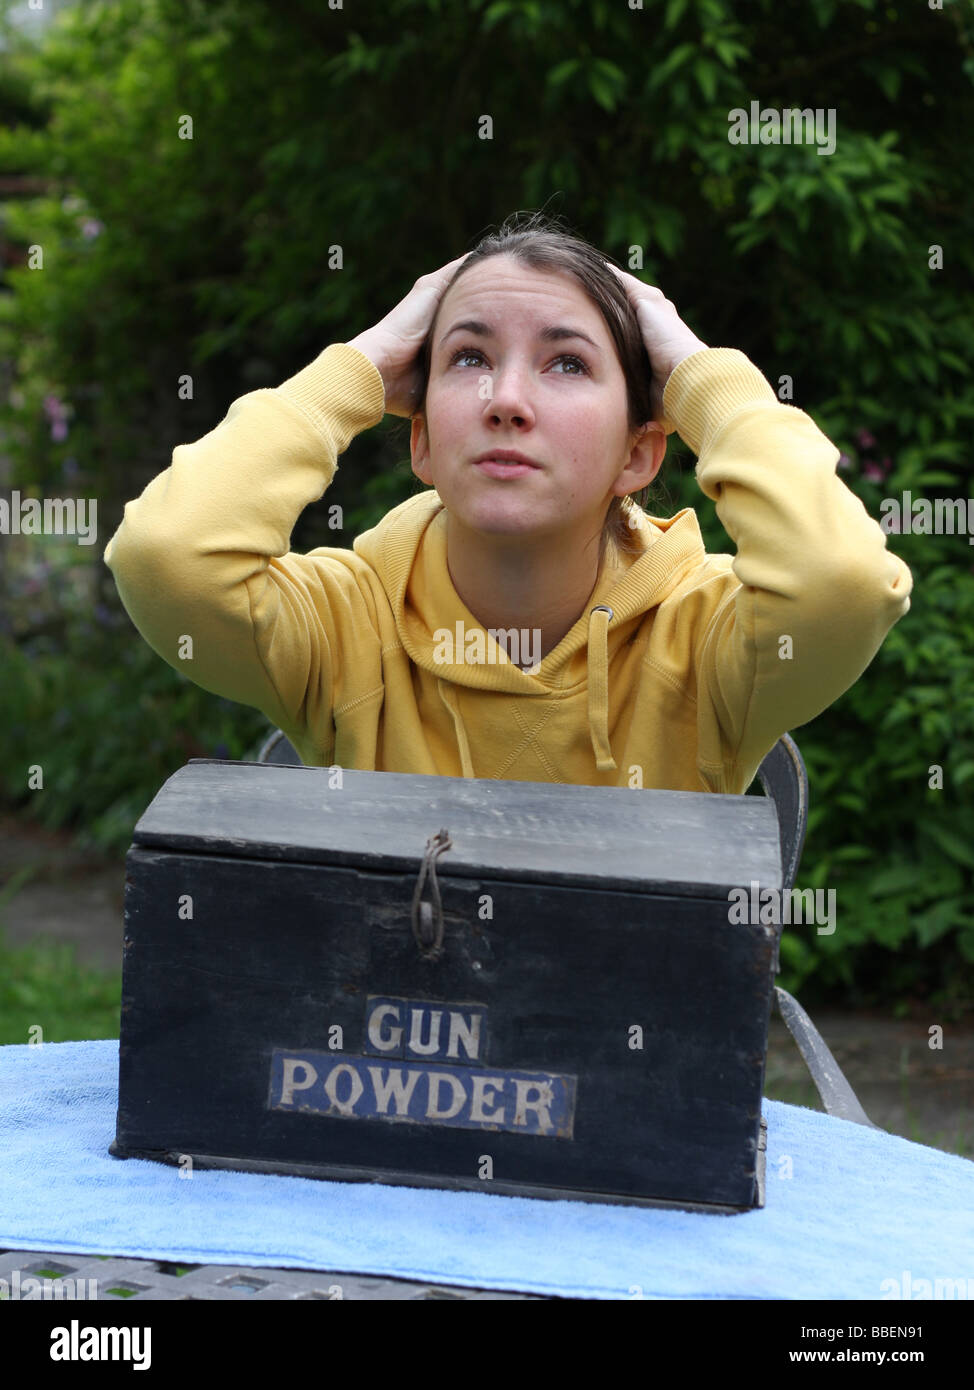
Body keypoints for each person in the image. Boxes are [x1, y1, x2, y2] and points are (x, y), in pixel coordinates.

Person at [104, 211, 913, 793]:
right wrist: (353, 369)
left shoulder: (706, 641)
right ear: (420, 441)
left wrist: (704, 379)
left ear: (638, 452)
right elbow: (167, 558)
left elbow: (840, 582)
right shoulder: (346, 624)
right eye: (467, 357)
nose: (505, 399)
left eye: (565, 364)